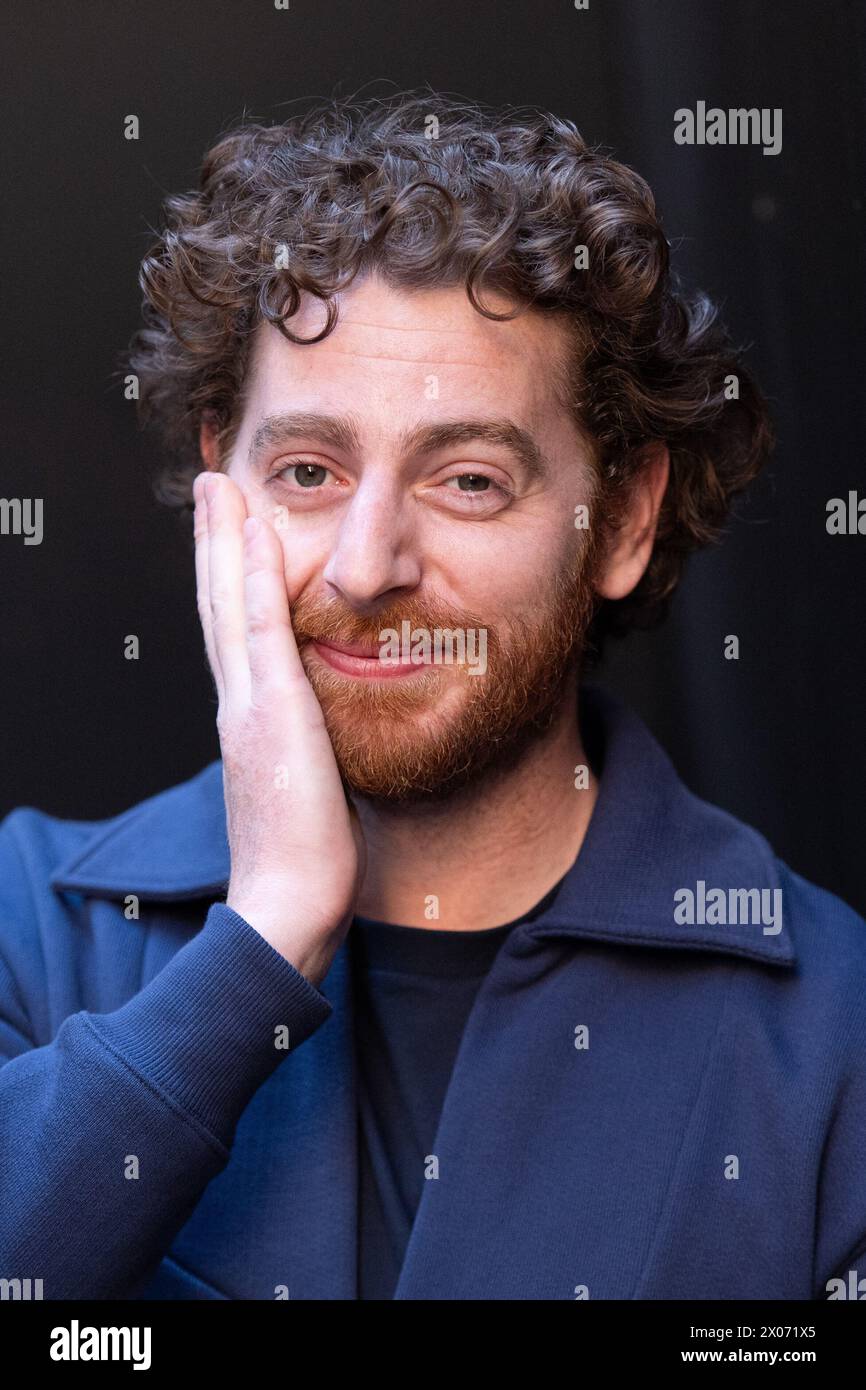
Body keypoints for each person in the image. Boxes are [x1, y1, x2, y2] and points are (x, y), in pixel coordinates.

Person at [2, 92, 864, 1302]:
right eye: (308, 470)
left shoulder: (835, 1031)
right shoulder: (29, 928)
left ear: (620, 518)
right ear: (219, 485)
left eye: (466, 480)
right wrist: (263, 937)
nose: (366, 566)